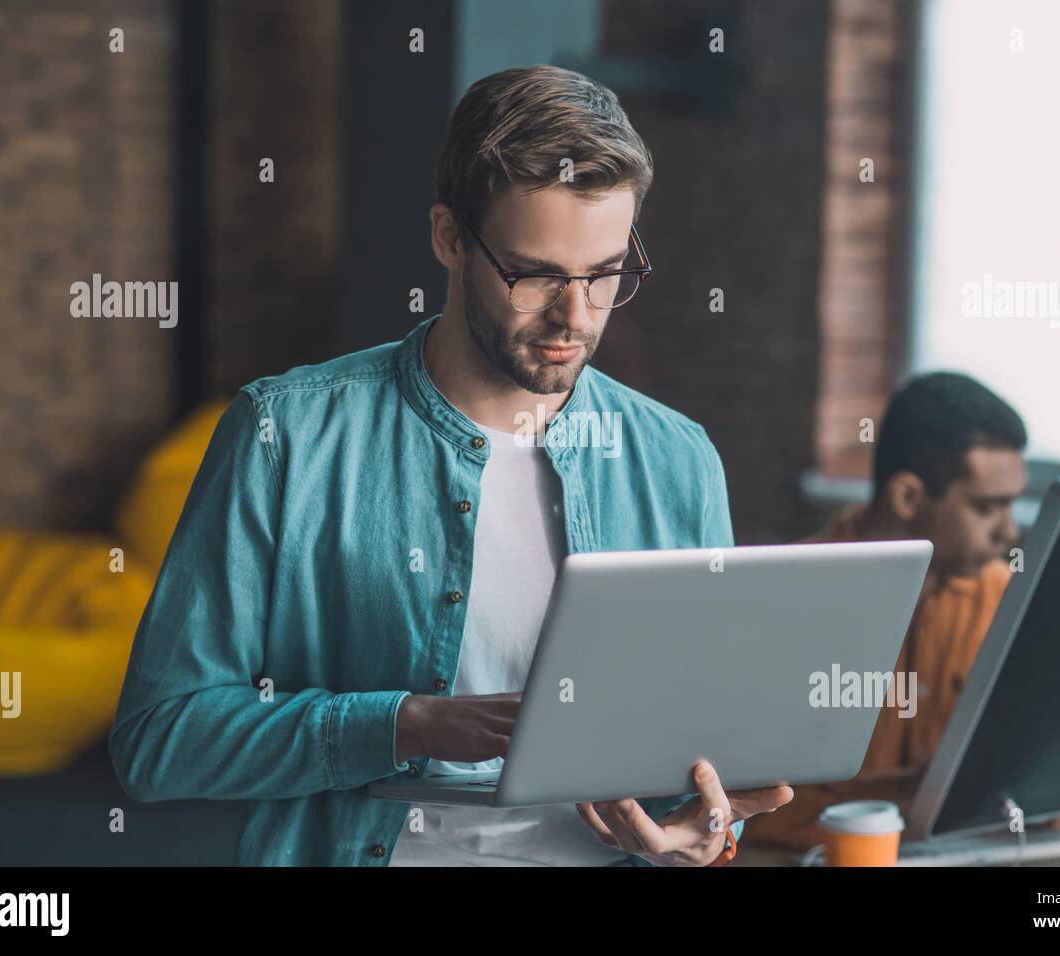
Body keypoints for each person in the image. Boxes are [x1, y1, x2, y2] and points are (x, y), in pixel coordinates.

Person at [108, 64, 792, 867]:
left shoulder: (678, 460)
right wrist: (405, 725)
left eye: (606, 275)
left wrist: (706, 834)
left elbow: (705, 765)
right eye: (536, 275)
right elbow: (162, 739)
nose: (576, 317)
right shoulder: (281, 434)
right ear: (449, 238)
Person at [744, 372, 1027, 853]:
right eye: (987, 508)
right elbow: (746, 813)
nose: (1010, 533)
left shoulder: (1001, 594)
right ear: (908, 497)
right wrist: (926, 803)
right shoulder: (786, 601)